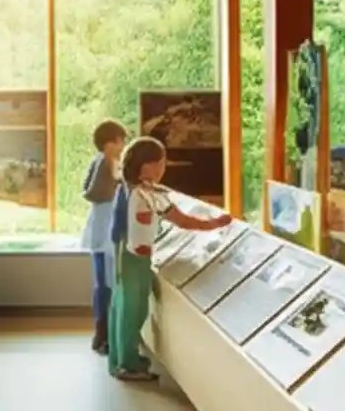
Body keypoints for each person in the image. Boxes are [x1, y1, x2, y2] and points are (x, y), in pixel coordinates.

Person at [108, 137, 232, 381]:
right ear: (149, 165)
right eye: (162, 162)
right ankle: (128, 364)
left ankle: (121, 358)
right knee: (134, 307)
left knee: (123, 304)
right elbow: (183, 221)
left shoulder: (129, 187)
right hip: (136, 256)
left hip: (125, 252)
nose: (164, 168)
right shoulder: (146, 192)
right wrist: (216, 223)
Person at [81, 119, 127, 355]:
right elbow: (94, 193)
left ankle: (103, 332)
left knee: (104, 283)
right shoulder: (106, 163)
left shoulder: (103, 162)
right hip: (105, 229)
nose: (122, 145)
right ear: (110, 143)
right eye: (120, 141)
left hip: (101, 229)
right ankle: (105, 333)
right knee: (107, 283)